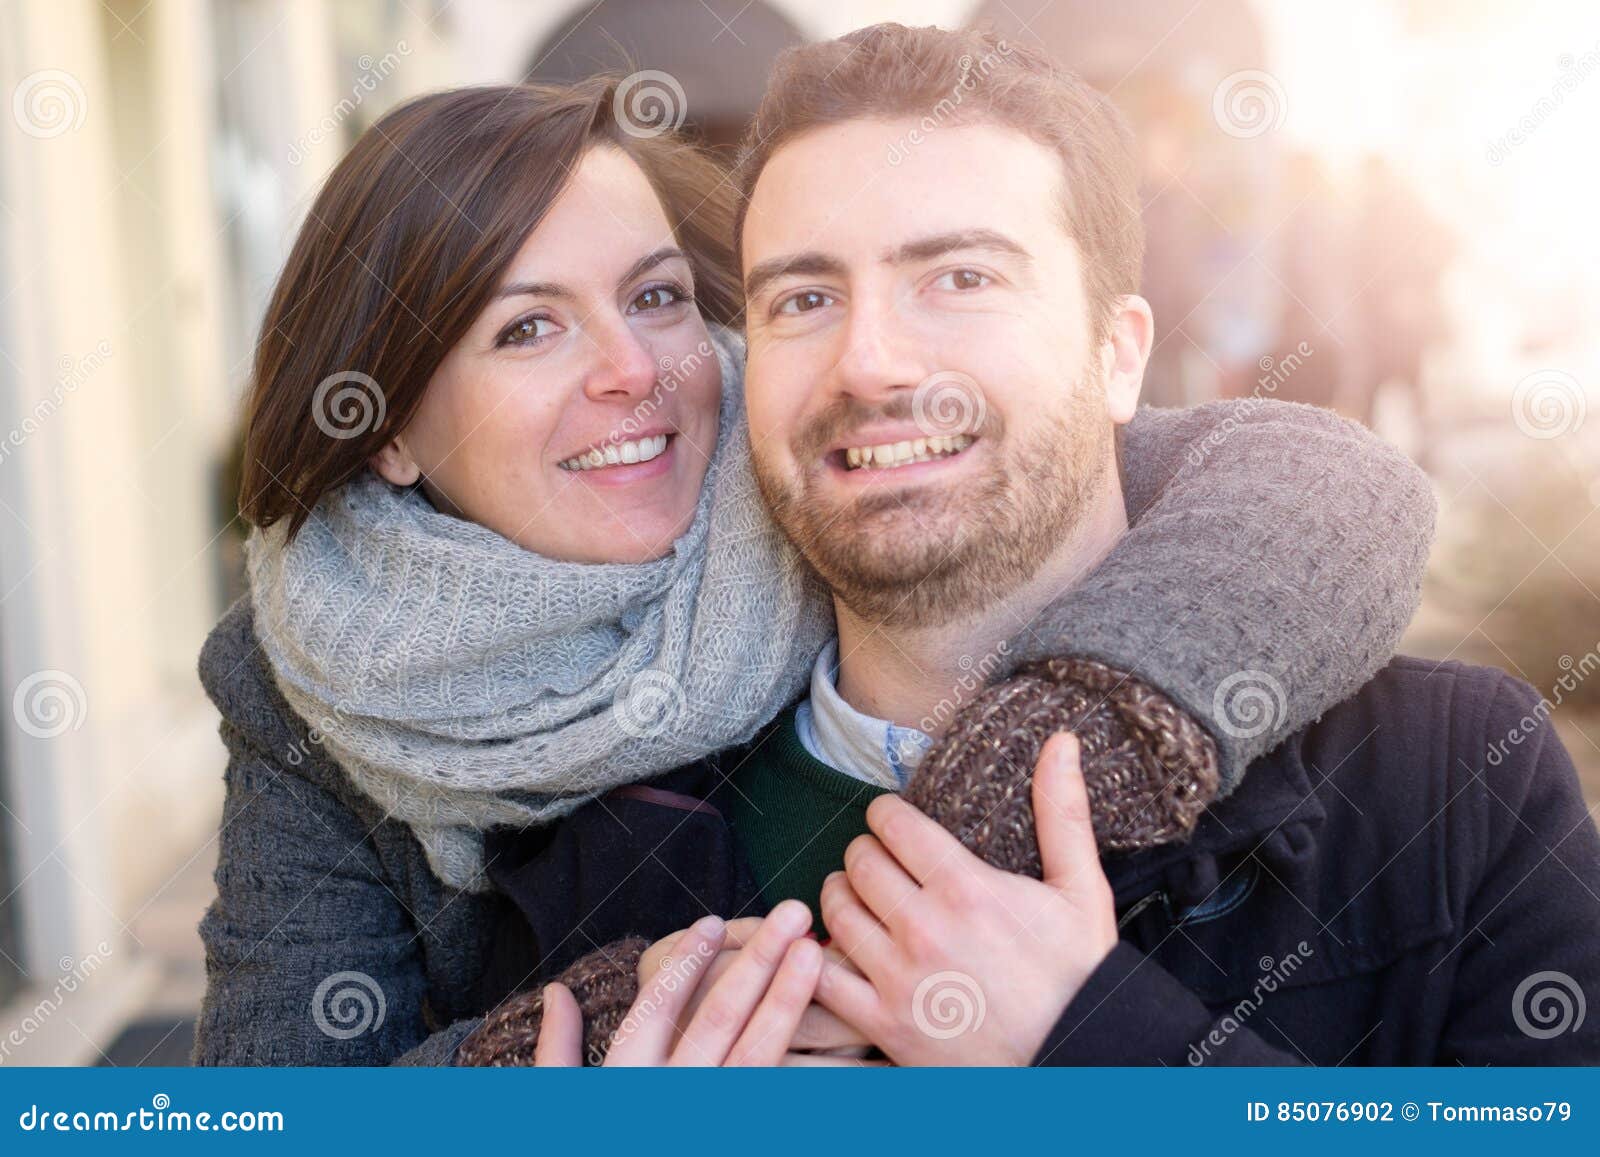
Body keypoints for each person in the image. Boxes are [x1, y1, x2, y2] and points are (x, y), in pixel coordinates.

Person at [194, 75, 1434, 1066]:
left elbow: (1308, 486)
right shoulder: (314, 668)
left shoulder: (827, 471)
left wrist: (1041, 761)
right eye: (528, 326)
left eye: (659, 296)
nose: (634, 368)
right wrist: (556, 1059)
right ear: (391, 430)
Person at [527, 23, 1597, 1066]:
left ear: (1119, 353)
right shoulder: (594, 832)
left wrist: (1094, 1046)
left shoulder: (1451, 781)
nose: (870, 362)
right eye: (805, 299)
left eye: (960, 277)